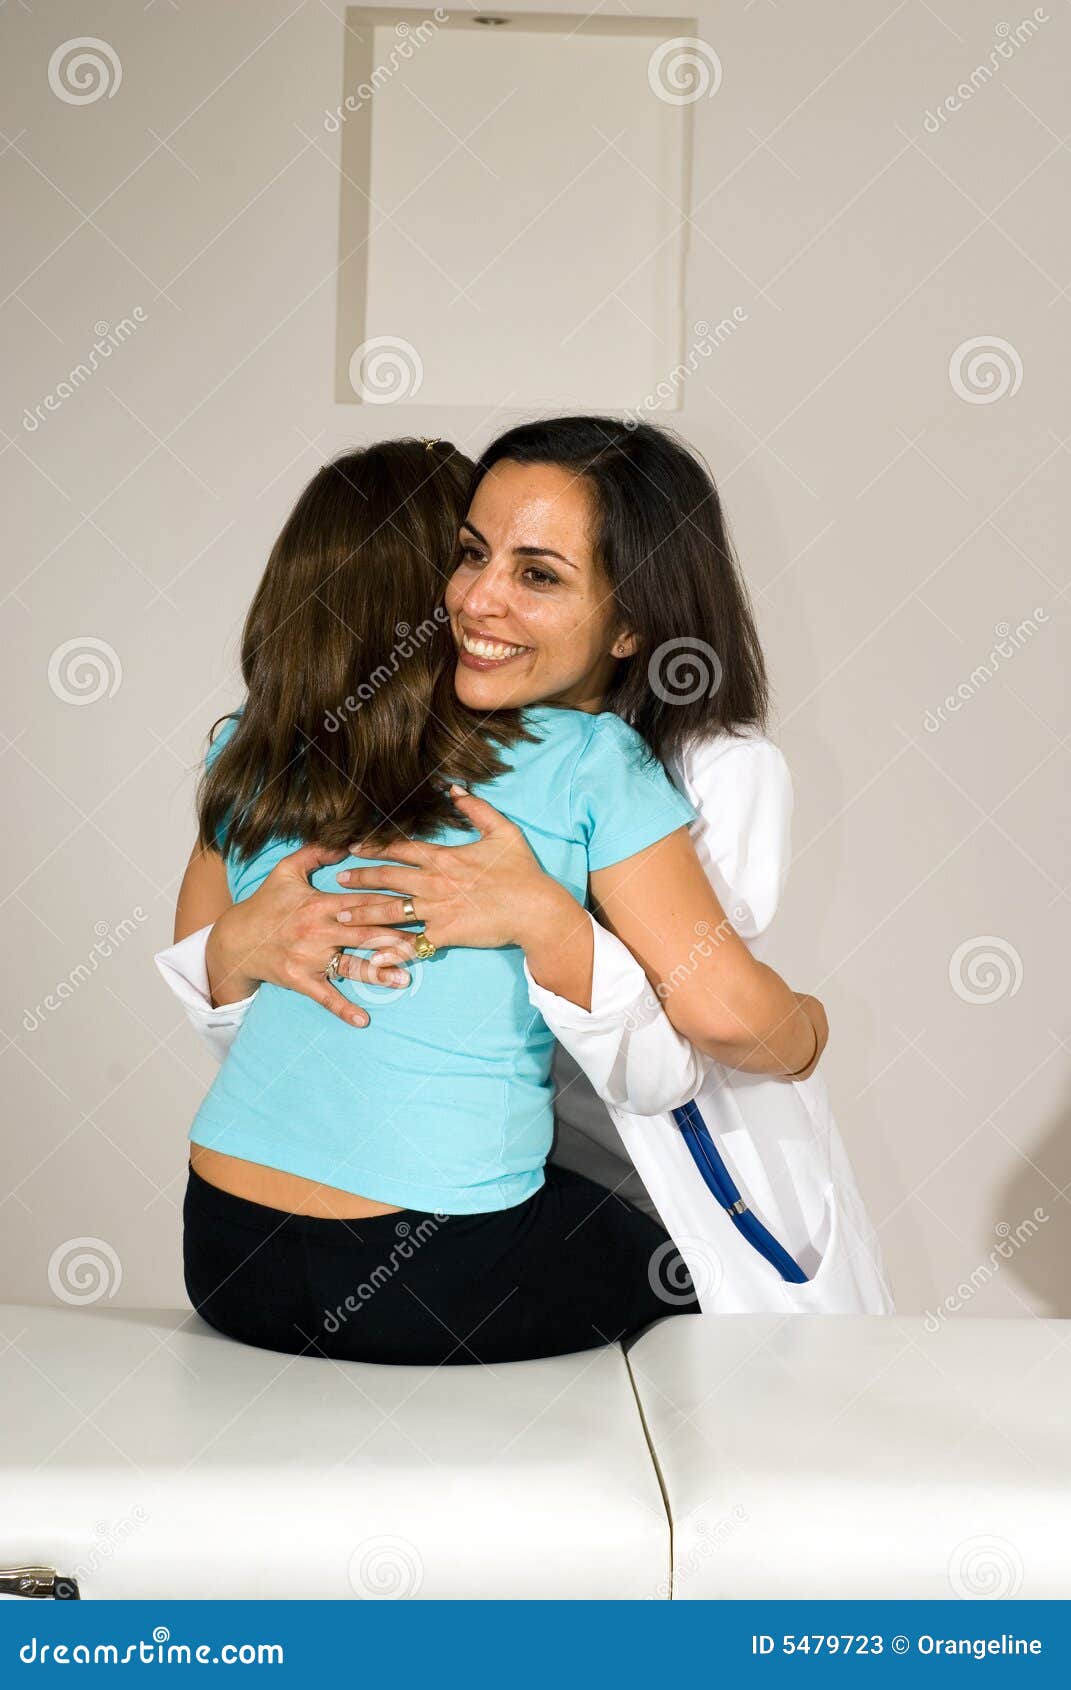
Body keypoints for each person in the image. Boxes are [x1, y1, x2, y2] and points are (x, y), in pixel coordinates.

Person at [165, 435, 830, 1368]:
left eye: (538, 575)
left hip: (223, 1250)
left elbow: (204, 973)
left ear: (632, 619)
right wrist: (814, 1028)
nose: (478, 598)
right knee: (688, 1267)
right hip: (434, 1278)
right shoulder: (593, 762)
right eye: (469, 555)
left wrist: (251, 941)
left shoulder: (251, 742)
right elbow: (725, 1017)